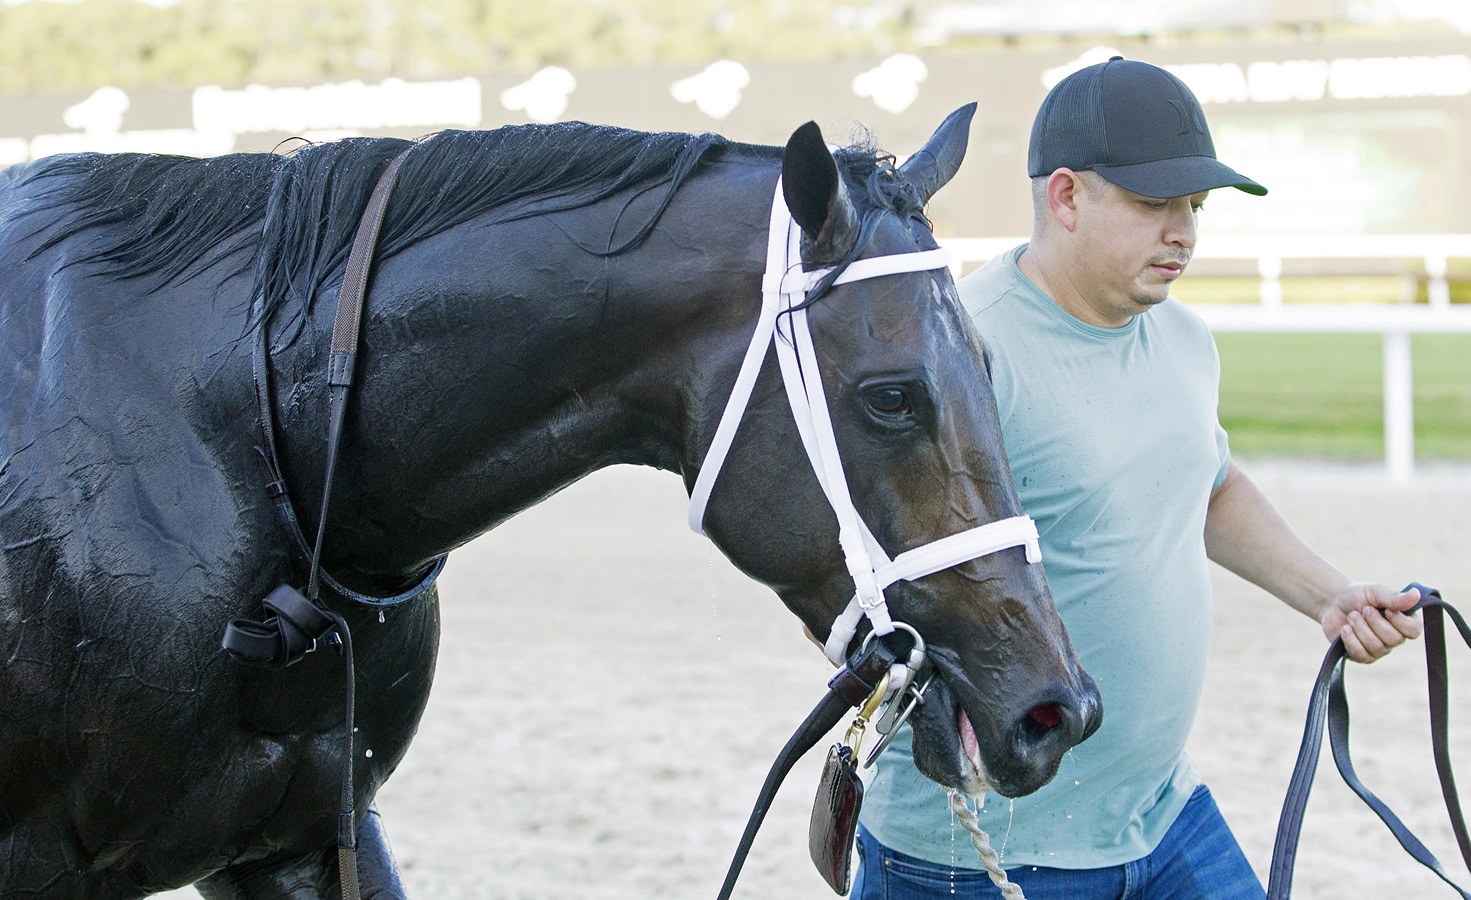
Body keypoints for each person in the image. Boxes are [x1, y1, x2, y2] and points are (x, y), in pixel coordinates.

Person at [852, 56, 1424, 900]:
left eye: (1194, 207)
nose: (1183, 232)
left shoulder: (1185, 339)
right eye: (1155, 204)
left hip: (1161, 812)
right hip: (983, 854)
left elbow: (1207, 486)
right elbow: (858, 571)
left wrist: (1326, 597)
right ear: (1067, 197)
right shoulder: (956, 353)